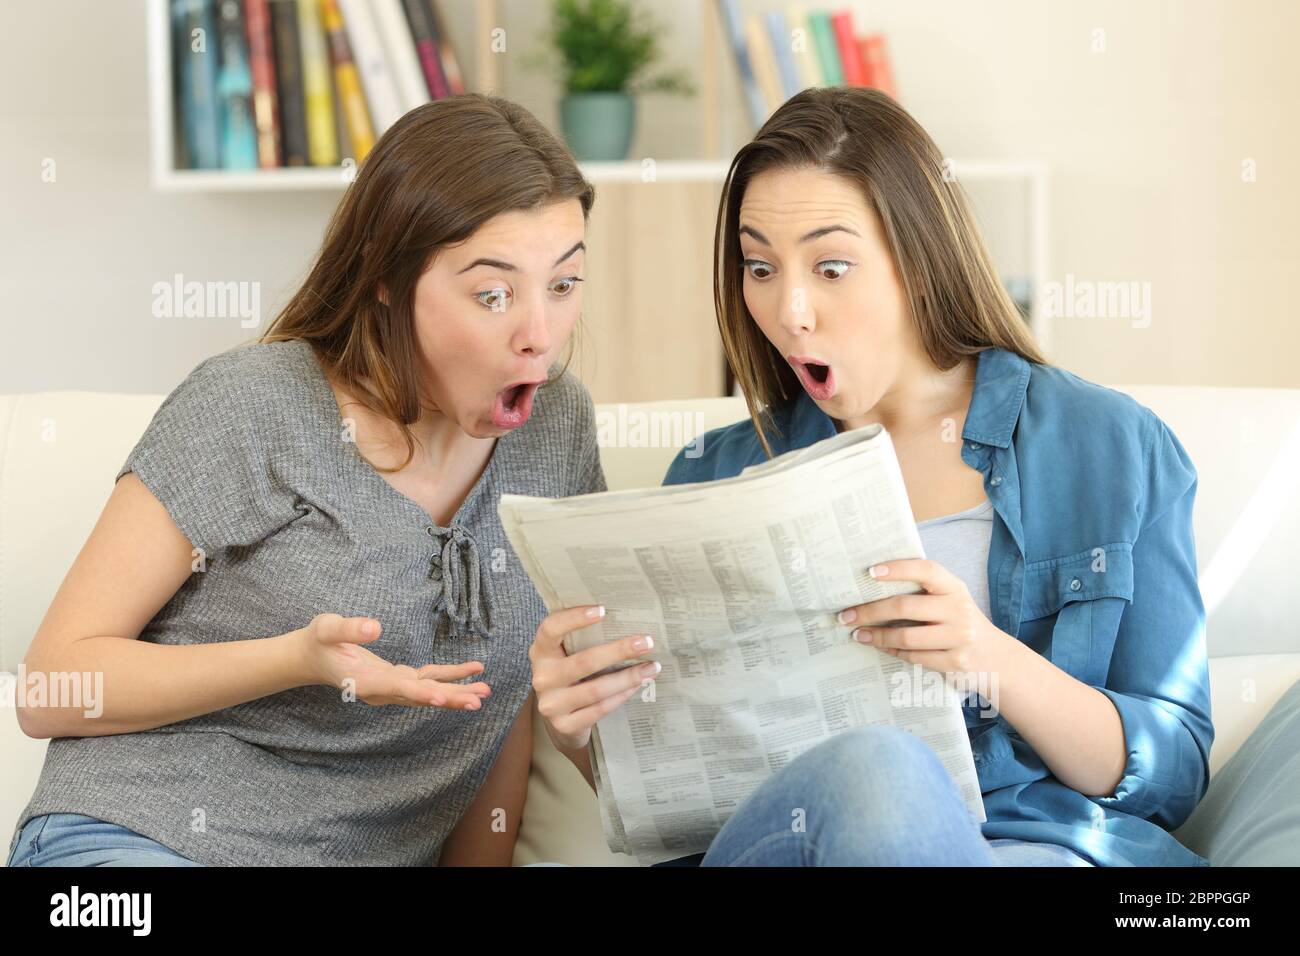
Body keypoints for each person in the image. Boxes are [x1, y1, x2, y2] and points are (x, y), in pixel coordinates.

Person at [531, 86, 1212, 867]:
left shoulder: (1113, 448)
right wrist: (581, 733)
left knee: (886, 768)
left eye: (830, 267)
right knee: (873, 768)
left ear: (918, 263)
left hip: (1030, 850)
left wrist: (986, 655)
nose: (790, 312)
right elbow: (681, 816)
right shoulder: (716, 473)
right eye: (759, 266)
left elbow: (1173, 777)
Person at [8, 94, 603, 867]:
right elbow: (49, 684)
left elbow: (499, 710)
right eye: (492, 294)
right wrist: (292, 660)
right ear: (386, 279)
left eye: (563, 285)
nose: (539, 337)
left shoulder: (557, 435)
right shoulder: (251, 404)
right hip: (130, 842)